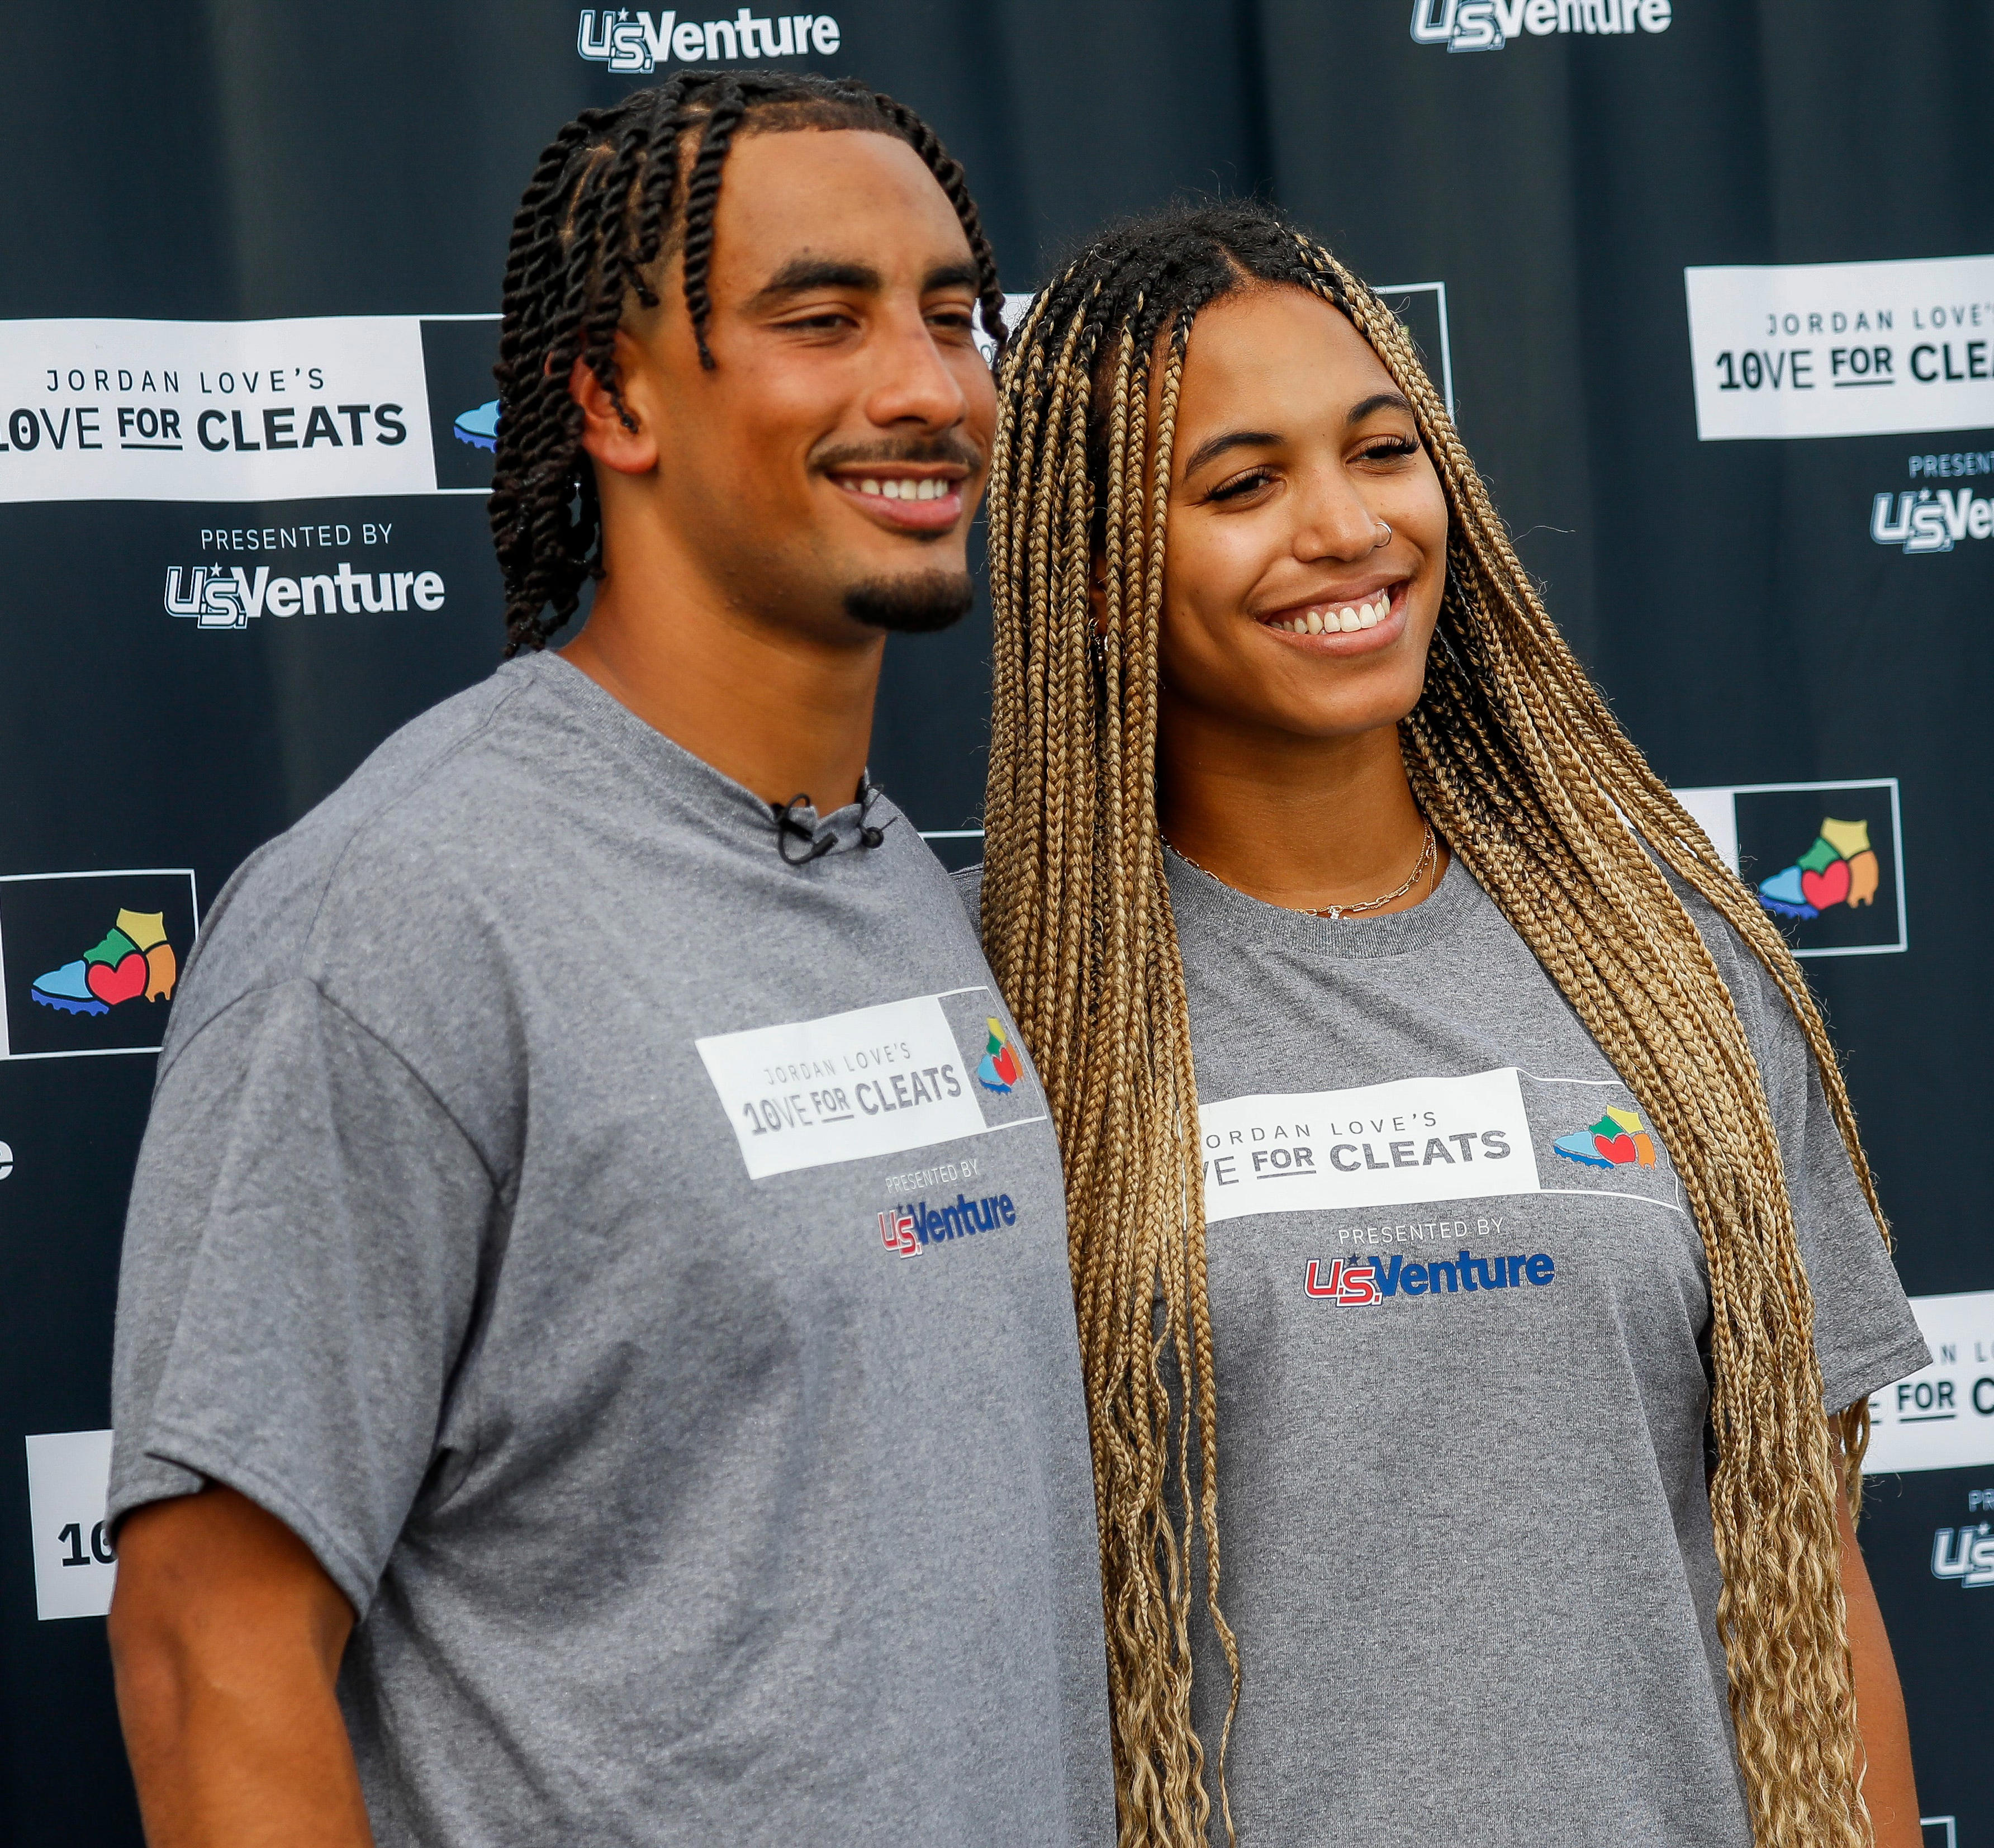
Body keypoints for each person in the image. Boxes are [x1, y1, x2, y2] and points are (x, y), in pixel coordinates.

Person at [105, 72, 1111, 1848]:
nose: (927, 386)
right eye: (824, 319)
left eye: (953, 315)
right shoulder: (402, 910)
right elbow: (210, 1653)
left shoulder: (907, 883)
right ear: (612, 399)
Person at [971, 200, 1930, 1848]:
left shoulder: (1670, 970)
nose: (1346, 528)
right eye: (1242, 485)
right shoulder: (1013, 1009)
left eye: (1382, 452)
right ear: (1101, 574)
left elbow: (1813, 1567)